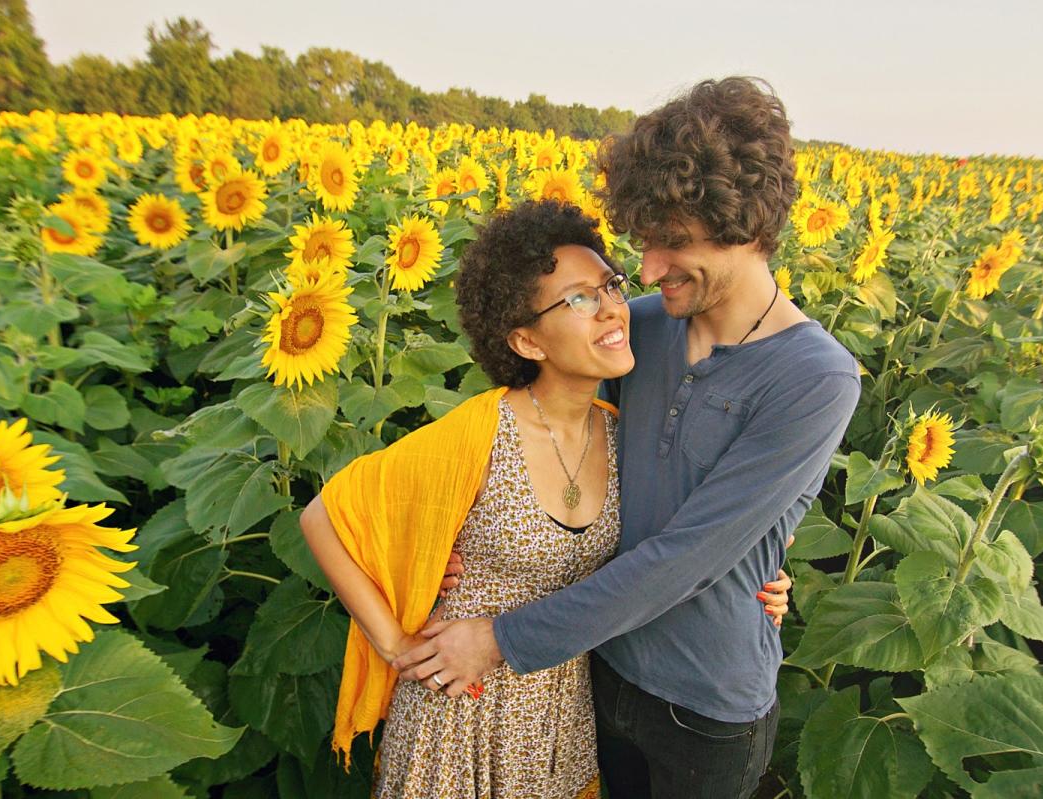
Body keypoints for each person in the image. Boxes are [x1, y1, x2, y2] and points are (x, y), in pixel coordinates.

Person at [392, 77, 862, 798]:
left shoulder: (815, 377)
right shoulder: (637, 325)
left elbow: (687, 559)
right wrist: (452, 533)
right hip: (597, 667)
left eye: (673, 243)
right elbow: (537, 433)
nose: (646, 271)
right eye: (643, 243)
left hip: (703, 705)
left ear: (750, 228)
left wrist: (497, 638)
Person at [300, 200, 792, 799]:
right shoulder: (478, 435)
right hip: (460, 714)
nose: (613, 306)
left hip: (562, 715)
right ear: (527, 341)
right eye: (580, 299)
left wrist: (760, 573)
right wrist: (395, 643)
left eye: (609, 285)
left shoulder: (619, 432)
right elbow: (323, 514)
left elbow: (683, 534)